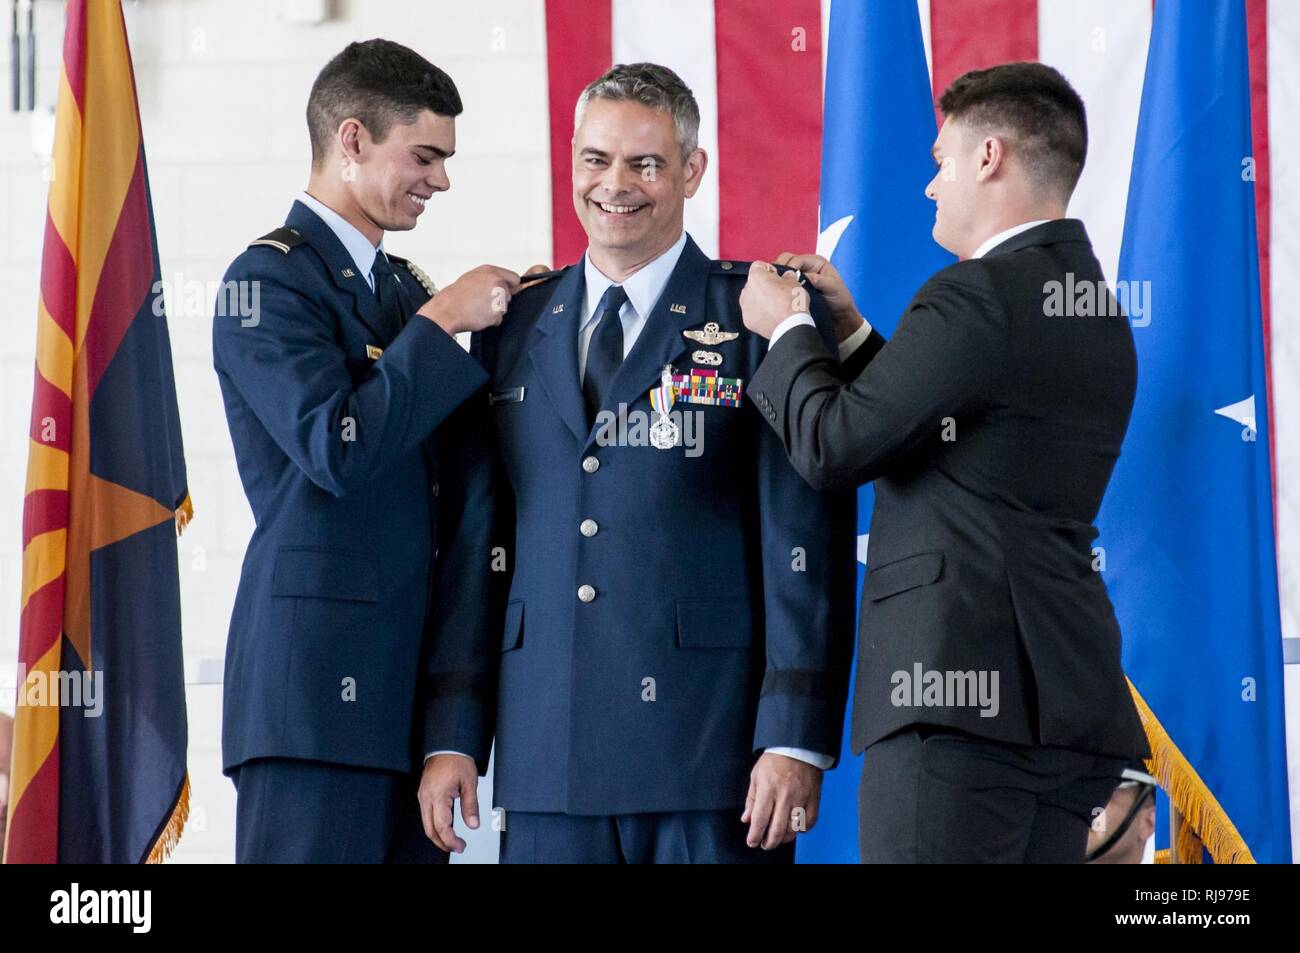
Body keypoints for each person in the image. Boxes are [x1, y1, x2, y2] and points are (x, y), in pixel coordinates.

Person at [421, 63, 859, 863]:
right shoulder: (514, 323)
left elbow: (806, 539)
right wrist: (453, 732)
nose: (615, 185)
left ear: (692, 170)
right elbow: (480, 546)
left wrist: (794, 736)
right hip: (548, 753)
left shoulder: (760, 313)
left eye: (644, 164)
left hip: (712, 757)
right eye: (596, 160)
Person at [739, 61, 1150, 863]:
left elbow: (834, 446)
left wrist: (787, 330)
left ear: (988, 157)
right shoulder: (1094, 305)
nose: (931, 185)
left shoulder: (973, 294)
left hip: (957, 712)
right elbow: (958, 432)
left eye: (940, 161)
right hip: (1062, 704)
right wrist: (853, 332)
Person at [213, 39, 519, 863]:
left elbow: (464, 496)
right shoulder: (267, 283)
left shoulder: (407, 291)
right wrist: (441, 326)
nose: (441, 179)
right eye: (424, 155)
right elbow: (335, 447)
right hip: (312, 707)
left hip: (410, 711)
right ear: (351, 140)